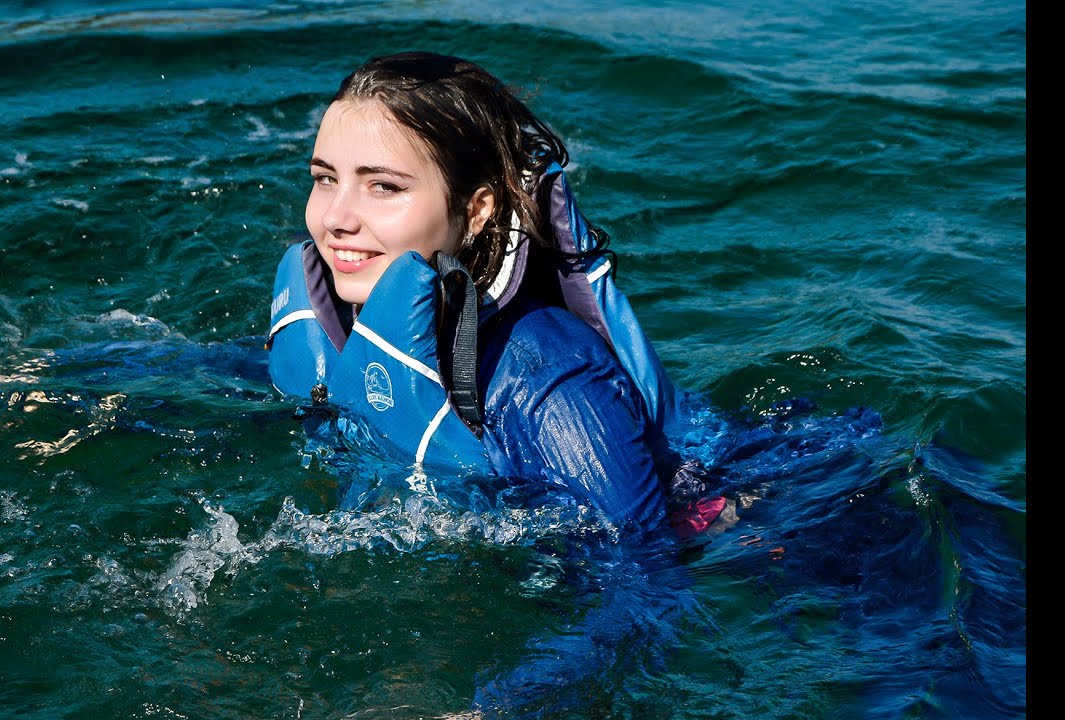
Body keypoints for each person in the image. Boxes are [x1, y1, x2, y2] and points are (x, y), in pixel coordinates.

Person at [264, 51, 725, 716]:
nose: (337, 217)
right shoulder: (356, 307)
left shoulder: (551, 383)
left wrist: (501, 705)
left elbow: (648, 587)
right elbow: (234, 375)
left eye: (383, 187)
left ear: (475, 209)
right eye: (325, 178)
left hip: (775, 543)